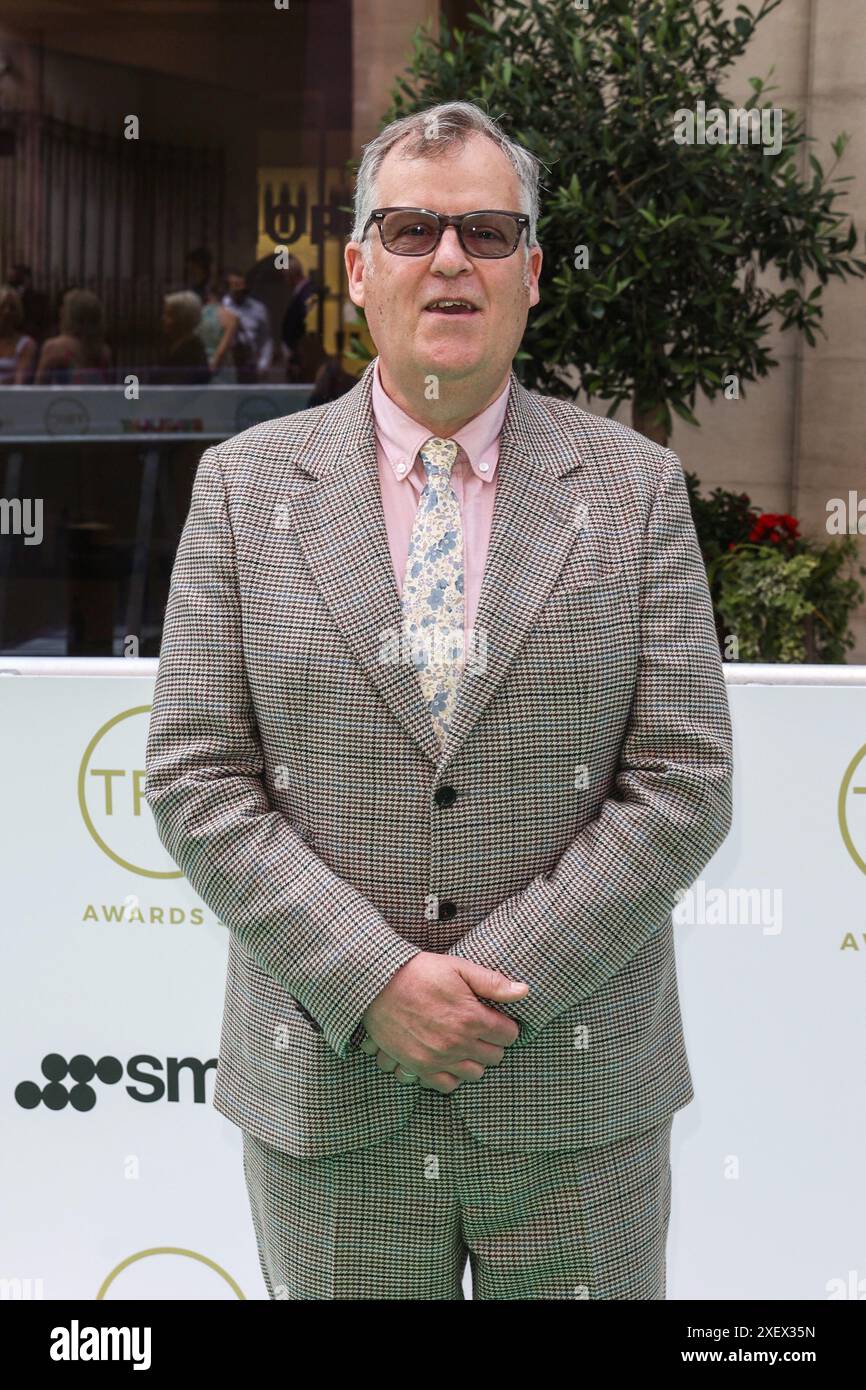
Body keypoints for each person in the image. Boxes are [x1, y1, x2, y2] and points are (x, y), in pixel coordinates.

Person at [145, 100, 734, 1301]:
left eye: (485, 230)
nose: (449, 258)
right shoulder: (240, 490)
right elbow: (196, 776)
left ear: (531, 273)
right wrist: (374, 983)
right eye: (411, 229)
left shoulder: (634, 490)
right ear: (357, 270)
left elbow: (682, 781)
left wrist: (484, 991)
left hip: (574, 1097)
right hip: (327, 1090)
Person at [35, 289, 112, 384]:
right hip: (96, 398)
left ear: (67, 314)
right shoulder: (103, 351)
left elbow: (40, 387)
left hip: (66, 398)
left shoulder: (54, 347)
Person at [221, 268, 272, 382]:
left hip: (250, 363)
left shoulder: (258, 309)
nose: (239, 290)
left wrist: (263, 363)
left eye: (241, 286)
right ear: (228, 288)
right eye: (235, 286)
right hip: (227, 366)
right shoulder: (221, 308)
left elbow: (265, 339)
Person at [151, 291, 211, 384]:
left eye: (169, 315)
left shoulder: (191, 355)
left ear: (182, 319)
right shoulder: (178, 348)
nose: (163, 319)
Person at [0, 286, 38, 384]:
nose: (7, 311)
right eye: (2, 306)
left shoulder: (26, 344)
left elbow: (19, 382)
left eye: (12, 307)